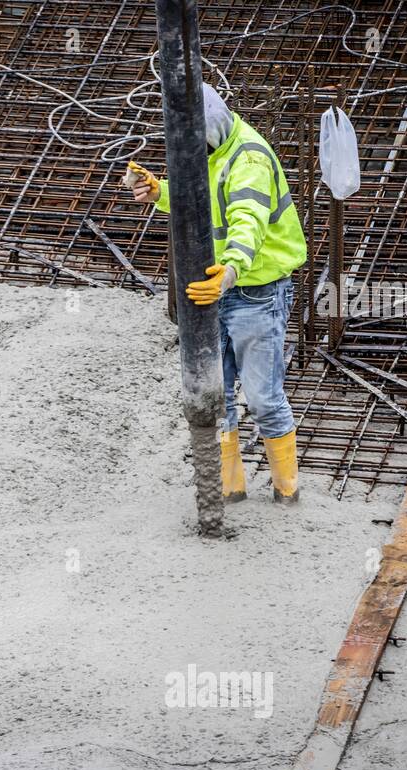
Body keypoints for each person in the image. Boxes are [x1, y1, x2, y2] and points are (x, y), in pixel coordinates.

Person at [133, 83, 307, 503]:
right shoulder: (211, 153)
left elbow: (247, 222)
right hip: (217, 292)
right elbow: (201, 197)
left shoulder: (247, 159)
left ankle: (287, 491)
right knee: (217, 396)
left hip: (256, 293)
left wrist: (229, 271)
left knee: (264, 398)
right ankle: (229, 490)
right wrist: (161, 192)